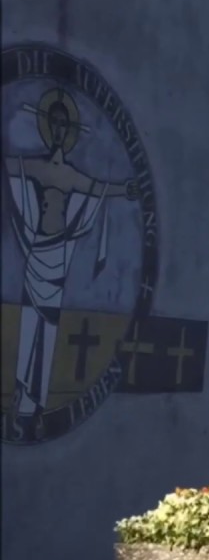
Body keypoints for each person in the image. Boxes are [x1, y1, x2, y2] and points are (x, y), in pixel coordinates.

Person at [4, 87, 136, 429]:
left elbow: (99, 187)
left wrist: (126, 190)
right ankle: (21, 393)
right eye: (55, 125)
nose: (60, 131)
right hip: (37, 251)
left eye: (65, 126)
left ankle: (36, 401)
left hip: (58, 255)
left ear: (70, 131)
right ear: (48, 128)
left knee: (48, 326)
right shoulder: (36, 166)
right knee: (31, 321)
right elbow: (9, 165)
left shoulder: (70, 175)